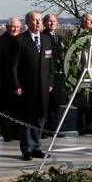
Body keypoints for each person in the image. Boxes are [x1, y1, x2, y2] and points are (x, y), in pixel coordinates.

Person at [12, 10, 56, 159]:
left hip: (43, 87)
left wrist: (50, 82)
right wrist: (16, 85)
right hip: (26, 87)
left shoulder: (46, 39)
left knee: (40, 117)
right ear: (28, 23)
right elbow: (13, 66)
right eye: (34, 20)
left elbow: (50, 64)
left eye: (39, 20)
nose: (38, 23)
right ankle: (27, 148)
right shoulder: (19, 40)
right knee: (27, 118)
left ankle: (37, 146)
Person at [0, 17, 22, 141]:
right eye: (13, 27)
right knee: (6, 110)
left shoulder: (22, 40)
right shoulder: (0, 41)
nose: (15, 29)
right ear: (7, 27)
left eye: (17, 27)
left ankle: (17, 132)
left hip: (19, 81)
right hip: (4, 82)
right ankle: (7, 133)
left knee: (18, 109)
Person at [73, 12, 92, 135]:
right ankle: (81, 126)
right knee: (83, 101)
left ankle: (90, 126)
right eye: (89, 20)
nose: (91, 22)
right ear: (83, 21)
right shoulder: (76, 35)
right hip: (82, 71)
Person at [42, 13, 68, 134]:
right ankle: (44, 129)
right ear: (44, 23)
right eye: (49, 21)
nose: (52, 23)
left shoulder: (59, 38)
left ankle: (53, 129)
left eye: (54, 21)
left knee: (56, 104)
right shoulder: (42, 37)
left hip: (58, 76)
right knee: (46, 104)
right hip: (46, 75)